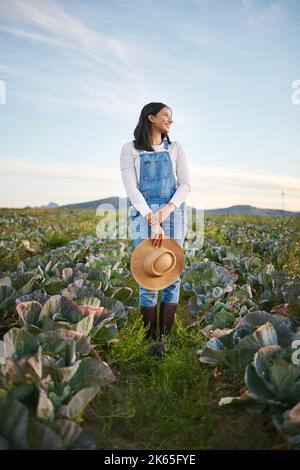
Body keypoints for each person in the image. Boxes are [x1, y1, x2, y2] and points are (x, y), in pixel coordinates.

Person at [120, 102, 191, 354]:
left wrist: (166, 210)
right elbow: (131, 189)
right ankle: (150, 341)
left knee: (172, 272)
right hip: (143, 214)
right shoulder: (130, 150)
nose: (170, 120)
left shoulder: (176, 148)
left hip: (174, 213)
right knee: (148, 275)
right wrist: (152, 217)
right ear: (150, 118)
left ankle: (166, 339)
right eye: (165, 115)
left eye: (171, 116)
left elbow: (185, 185)